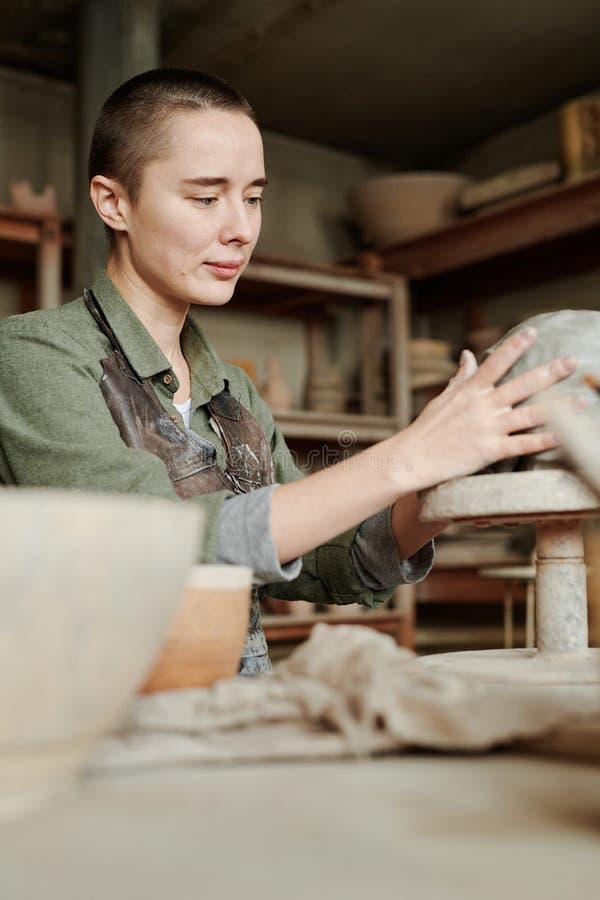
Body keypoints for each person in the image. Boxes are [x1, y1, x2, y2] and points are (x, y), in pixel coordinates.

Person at [0, 69, 576, 673]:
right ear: (112, 202)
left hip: (232, 721)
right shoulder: (34, 357)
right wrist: (412, 453)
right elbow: (158, 544)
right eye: (205, 198)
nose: (242, 230)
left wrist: (443, 489)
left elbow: (325, 557)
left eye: (252, 198)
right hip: (102, 730)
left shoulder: (232, 390)